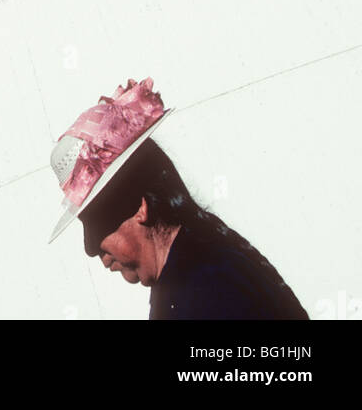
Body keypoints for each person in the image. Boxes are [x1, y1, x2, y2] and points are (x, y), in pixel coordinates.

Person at [50, 78, 308, 319]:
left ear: (140, 207)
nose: (90, 248)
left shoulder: (196, 292)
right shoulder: (209, 256)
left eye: (96, 222)